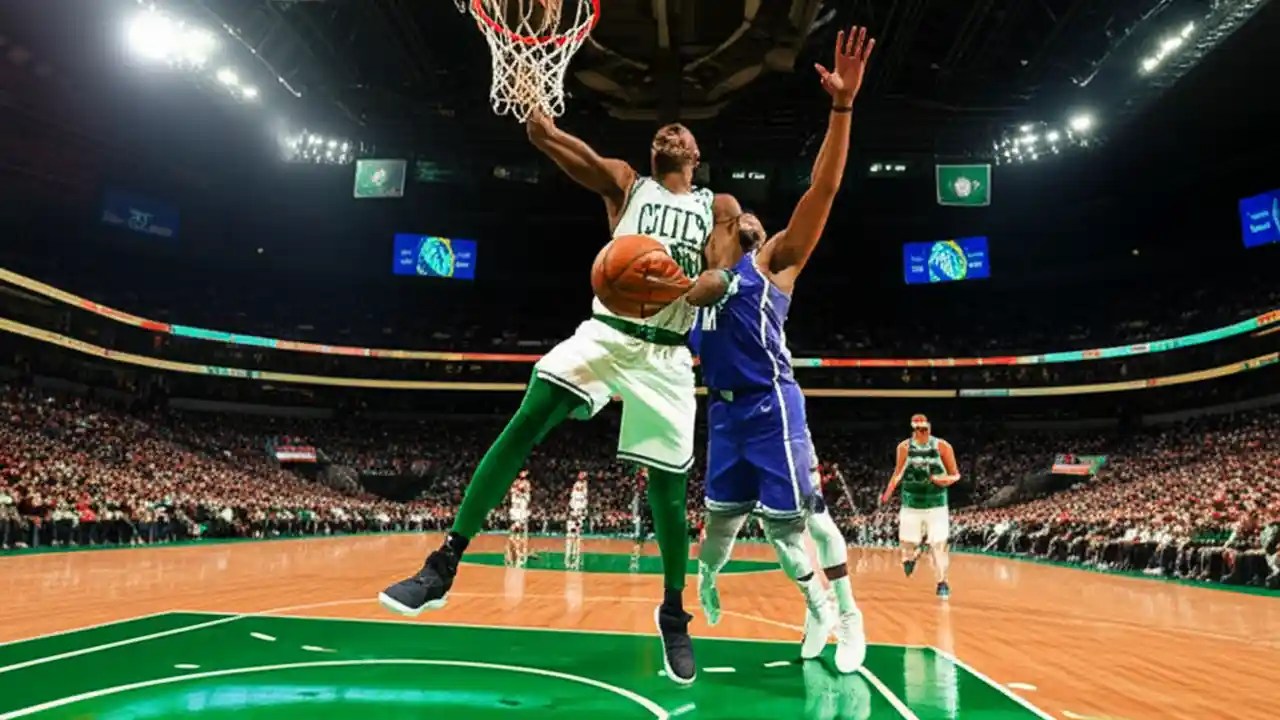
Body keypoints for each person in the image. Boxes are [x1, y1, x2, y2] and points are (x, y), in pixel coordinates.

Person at [378, 106, 742, 686]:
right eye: (663, 129)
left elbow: (719, 274)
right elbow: (578, 156)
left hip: (667, 353)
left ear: (696, 155)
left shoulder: (716, 205)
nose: (671, 129)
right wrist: (545, 135)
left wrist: (705, 282)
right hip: (606, 333)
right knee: (527, 419)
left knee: (669, 493)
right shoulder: (627, 183)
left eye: (683, 130)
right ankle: (443, 564)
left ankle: (674, 613)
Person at [692, 26, 875, 674]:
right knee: (741, 528)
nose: (735, 217)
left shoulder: (769, 264)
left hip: (772, 406)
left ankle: (846, 615)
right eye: (723, 218)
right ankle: (809, 605)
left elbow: (821, 190)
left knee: (807, 519)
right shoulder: (695, 290)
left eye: (741, 217)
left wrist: (842, 106)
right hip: (723, 415)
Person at [879, 414, 961, 598]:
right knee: (907, 545)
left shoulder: (943, 446)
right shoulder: (904, 447)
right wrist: (887, 493)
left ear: (929, 428)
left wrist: (944, 480)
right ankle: (911, 558)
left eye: (924, 429)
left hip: (936, 504)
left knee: (939, 544)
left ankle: (942, 582)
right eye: (917, 429)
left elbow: (955, 474)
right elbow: (898, 473)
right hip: (911, 504)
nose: (921, 432)